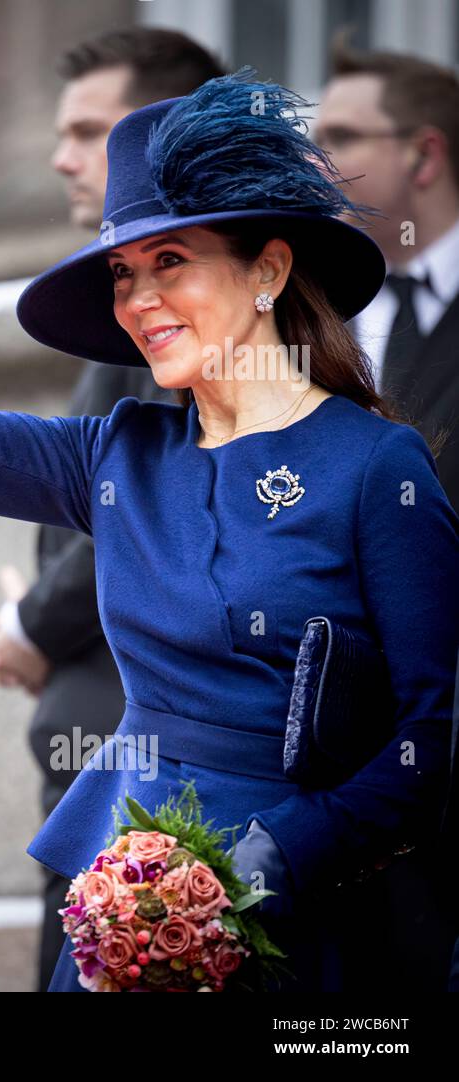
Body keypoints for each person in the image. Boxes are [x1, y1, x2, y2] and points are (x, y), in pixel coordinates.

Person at [0, 31, 459, 992]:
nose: (139, 299)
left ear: (267, 271)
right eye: (124, 273)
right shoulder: (115, 454)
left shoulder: (377, 466)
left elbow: (434, 736)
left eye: (170, 261)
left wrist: (283, 855)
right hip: (122, 908)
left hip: (303, 924)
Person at [0, 28, 223, 994]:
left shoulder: (186, 302)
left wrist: (33, 620)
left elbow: (146, 496)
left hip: (148, 757)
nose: (60, 156)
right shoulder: (140, 291)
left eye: (89, 130)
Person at [315, 39, 459, 992]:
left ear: (425, 156)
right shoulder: (312, 325)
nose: (314, 162)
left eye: (339, 138)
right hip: (335, 783)